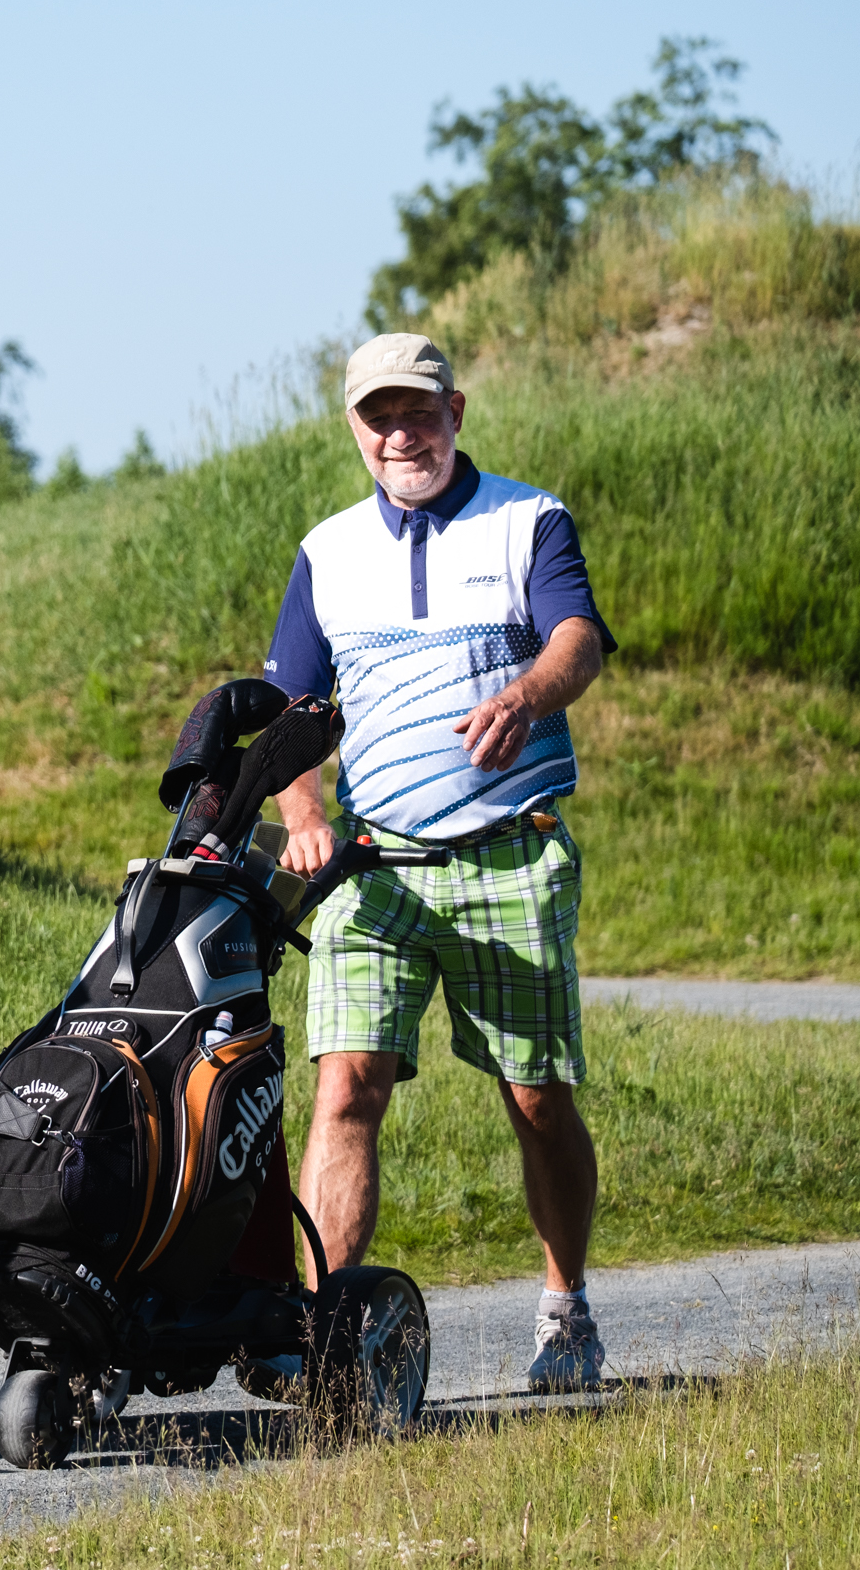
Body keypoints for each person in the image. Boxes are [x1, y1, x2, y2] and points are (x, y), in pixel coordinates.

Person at [265, 333, 617, 1392]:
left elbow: (577, 640)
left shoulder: (526, 520)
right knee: (344, 1090)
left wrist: (526, 694)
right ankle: (326, 1339)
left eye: (417, 412)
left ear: (455, 412)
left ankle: (565, 1308)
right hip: (377, 868)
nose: (399, 434)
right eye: (377, 417)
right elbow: (291, 712)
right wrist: (303, 810)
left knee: (536, 1097)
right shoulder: (327, 552)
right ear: (353, 429)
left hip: (509, 856)